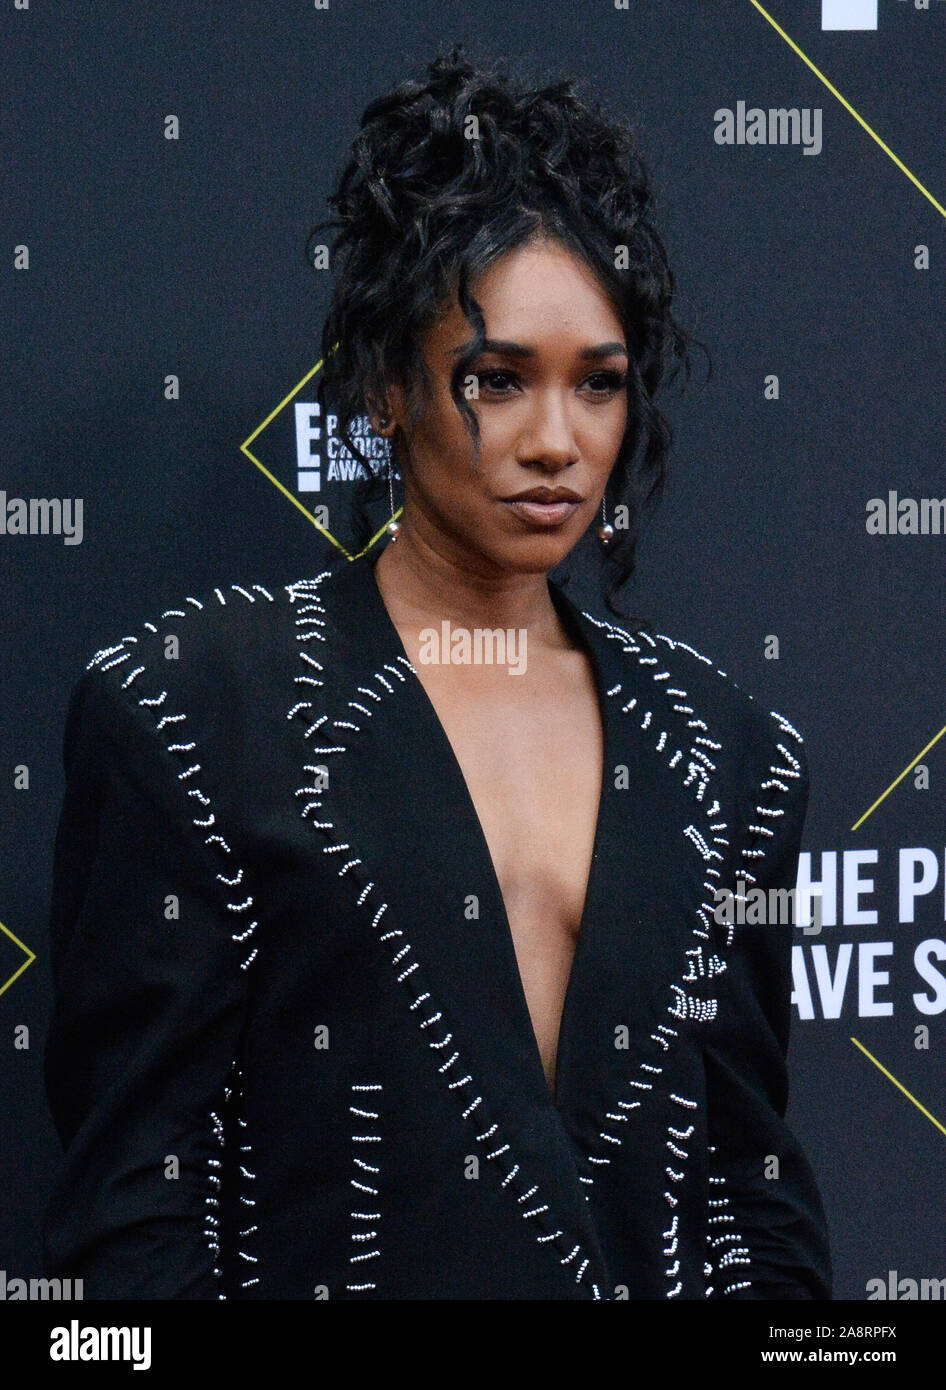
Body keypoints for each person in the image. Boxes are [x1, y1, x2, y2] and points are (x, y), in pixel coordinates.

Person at [42, 45, 832, 1300]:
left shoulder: (725, 751)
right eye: (498, 380)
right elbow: (133, 1205)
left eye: (600, 386)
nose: (556, 443)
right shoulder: (195, 709)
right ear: (383, 388)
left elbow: (748, 1186)